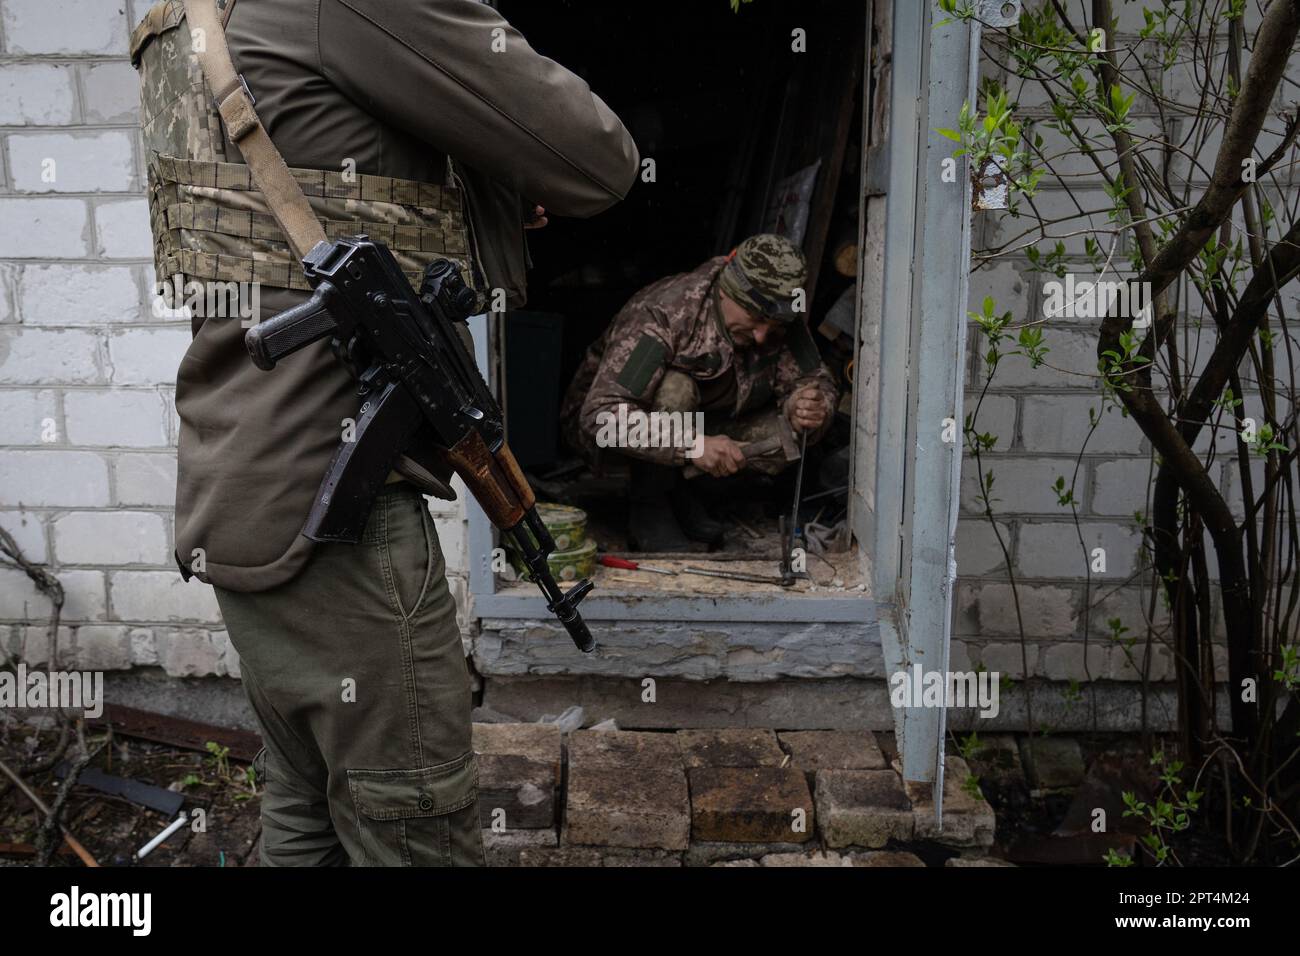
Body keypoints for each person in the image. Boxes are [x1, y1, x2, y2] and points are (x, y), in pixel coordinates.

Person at [131, 0, 637, 866]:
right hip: (339, 526)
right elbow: (599, 159)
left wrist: (475, 192)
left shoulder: (186, 16)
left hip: (239, 471)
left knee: (305, 805)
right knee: (414, 828)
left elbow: (302, 174)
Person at [560, 234, 838, 551]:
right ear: (726, 293)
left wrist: (807, 405)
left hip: (706, 426)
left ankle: (683, 492)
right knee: (675, 388)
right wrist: (692, 445)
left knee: (789, 429)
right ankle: (651, 504)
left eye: (773, 325)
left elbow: (817, 378)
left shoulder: (777, 317)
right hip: (607, 436)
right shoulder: (666, 312)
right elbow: (600, 416)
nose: (763, 336)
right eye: (755, 319)